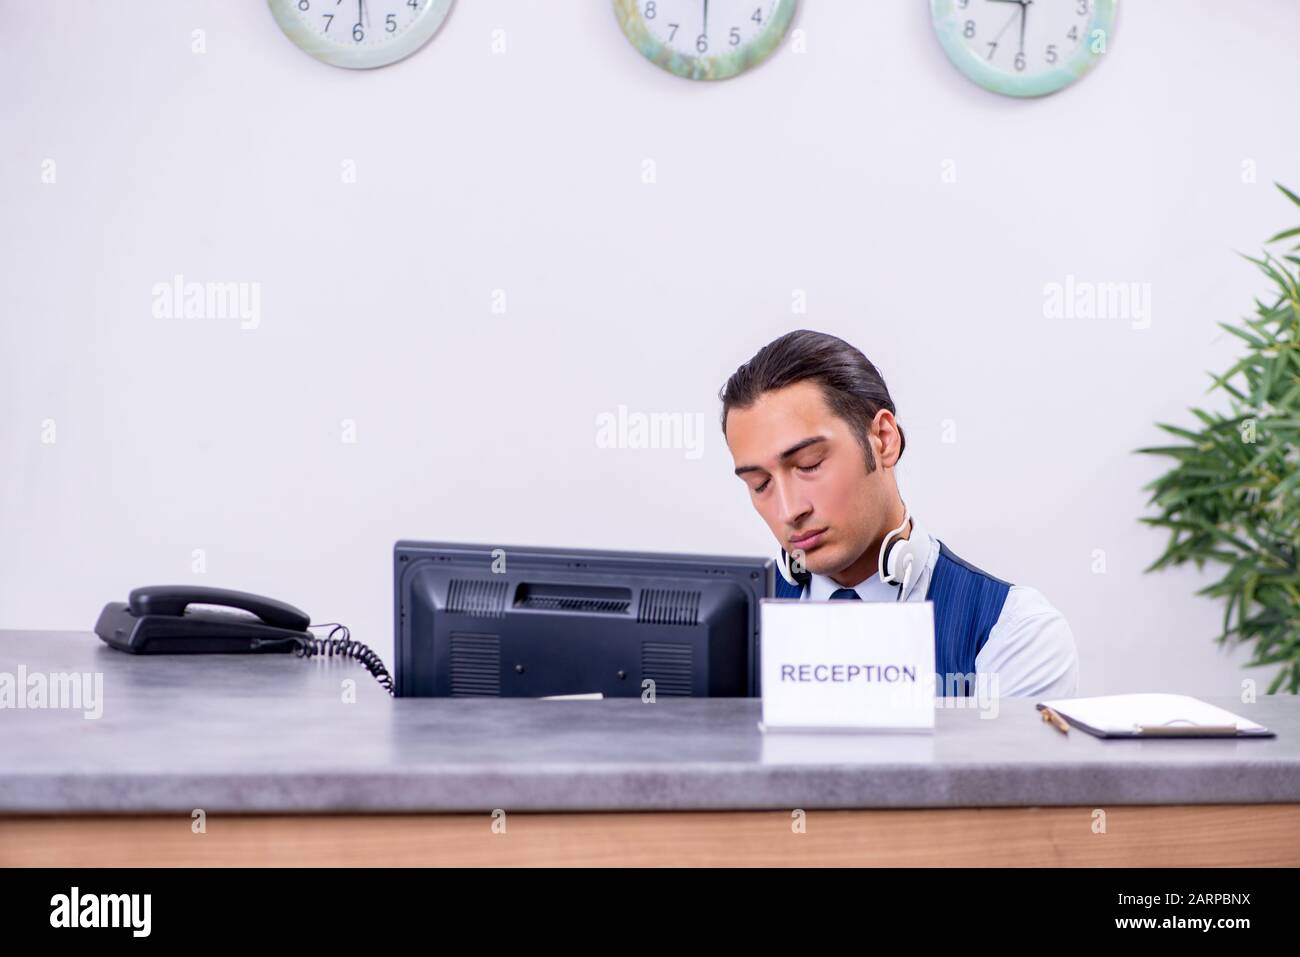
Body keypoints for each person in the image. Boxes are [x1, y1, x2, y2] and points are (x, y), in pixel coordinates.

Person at [719, 329, 1077, 698]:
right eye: (759, 484)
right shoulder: (731, 633)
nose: (789, 510)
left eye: (809, 464)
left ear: (884, 440)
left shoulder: (1016, 632)